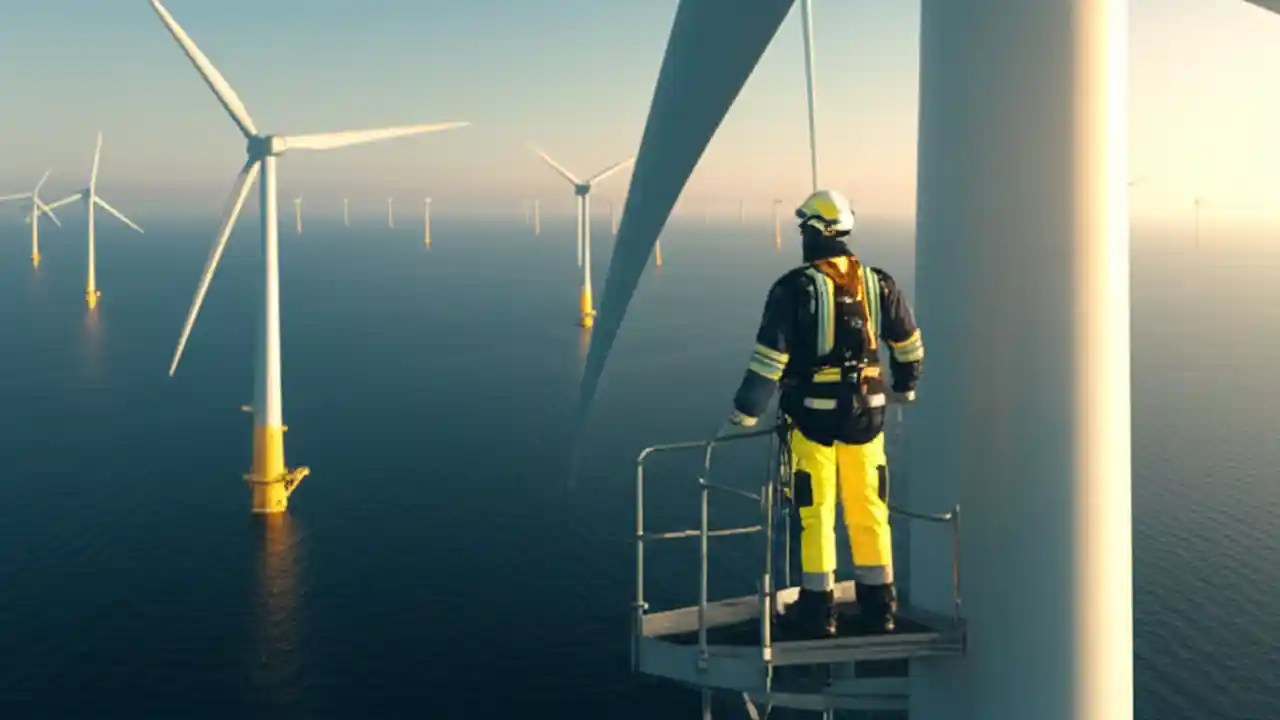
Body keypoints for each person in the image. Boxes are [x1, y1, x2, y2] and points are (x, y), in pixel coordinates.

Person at [719, 189, 923, 639]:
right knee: (870, 508)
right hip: (868, 420)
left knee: (816, 512)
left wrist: (743, 416)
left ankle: (819, 611)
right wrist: (904, 387)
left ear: (814, 231)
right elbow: (908, 346)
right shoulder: (879, 283)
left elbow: (768, 362)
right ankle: (880, 607)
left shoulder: (794, 287)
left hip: (812, 421)